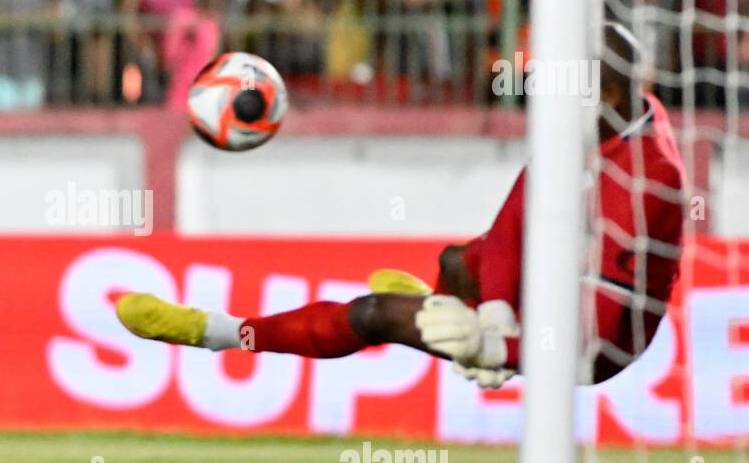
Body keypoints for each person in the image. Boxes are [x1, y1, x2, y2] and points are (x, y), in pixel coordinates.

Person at [117, 22, 686, 389]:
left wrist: (497, 345)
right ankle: (443, 309)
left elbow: (601, 333)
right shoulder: (599, 113)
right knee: (453, 265)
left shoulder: (651, 182)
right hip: (561, 273)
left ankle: (218, 331)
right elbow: (522, 202)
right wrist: (494, 309)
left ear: (606, 95)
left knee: (374, 314)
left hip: (598, 338)